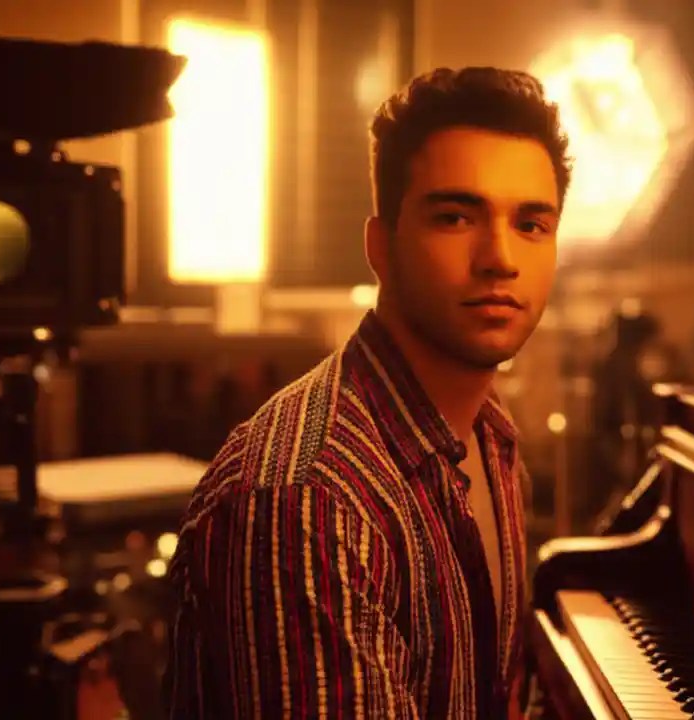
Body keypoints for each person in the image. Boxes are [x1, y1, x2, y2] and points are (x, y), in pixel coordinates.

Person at [165, 67, 571, 719]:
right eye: (456, 216)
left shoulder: (493, 435)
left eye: (531, 225)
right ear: (380, 246)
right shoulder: (308, 503)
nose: (500, 257)